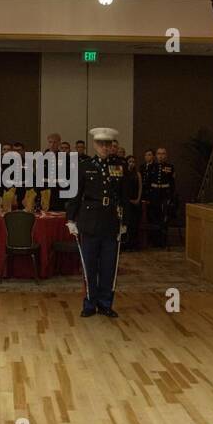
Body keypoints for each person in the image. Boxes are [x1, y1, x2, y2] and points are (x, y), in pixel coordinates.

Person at [66, 127, 127, 318]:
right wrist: (70, 219)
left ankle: (105, 303)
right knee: (89, 266)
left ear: (112, 146)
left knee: (109, 267)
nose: (104, 147)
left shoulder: (119, 166)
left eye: (108, 144)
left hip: (111, 221)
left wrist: (125, 222)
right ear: (94, 145)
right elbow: (75, 195)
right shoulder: (85, 166)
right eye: (101, 144)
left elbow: (124, 197)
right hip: (89, 221)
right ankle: (90, 303)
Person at [145, 146, 177, 246]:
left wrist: (170, 197)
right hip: (154, 194)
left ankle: (162, 241)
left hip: (164, 194)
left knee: (163, 218)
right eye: (159, 154)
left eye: (163, 154)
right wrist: (147, 196)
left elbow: (172, 183)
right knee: (153, 216)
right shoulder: (151, 167)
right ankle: (153, 241)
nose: (161, 156)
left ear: (166, 156)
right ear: (156, 156)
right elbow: (148, 182)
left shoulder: (170, 167)